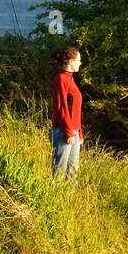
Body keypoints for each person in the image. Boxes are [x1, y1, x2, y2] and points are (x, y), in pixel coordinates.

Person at [51, 45, 83, 182]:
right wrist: (68, 132)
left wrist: (79, 132)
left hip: (73, 130)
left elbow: (75, 110)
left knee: (72, 171)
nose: (80, 63)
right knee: (60, 170)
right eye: (78, 60)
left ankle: (70, 201)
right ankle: (55, 200)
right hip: (63, 131)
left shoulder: (70, 79)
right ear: (70, 61)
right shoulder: (61, 79)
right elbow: (61, 107)